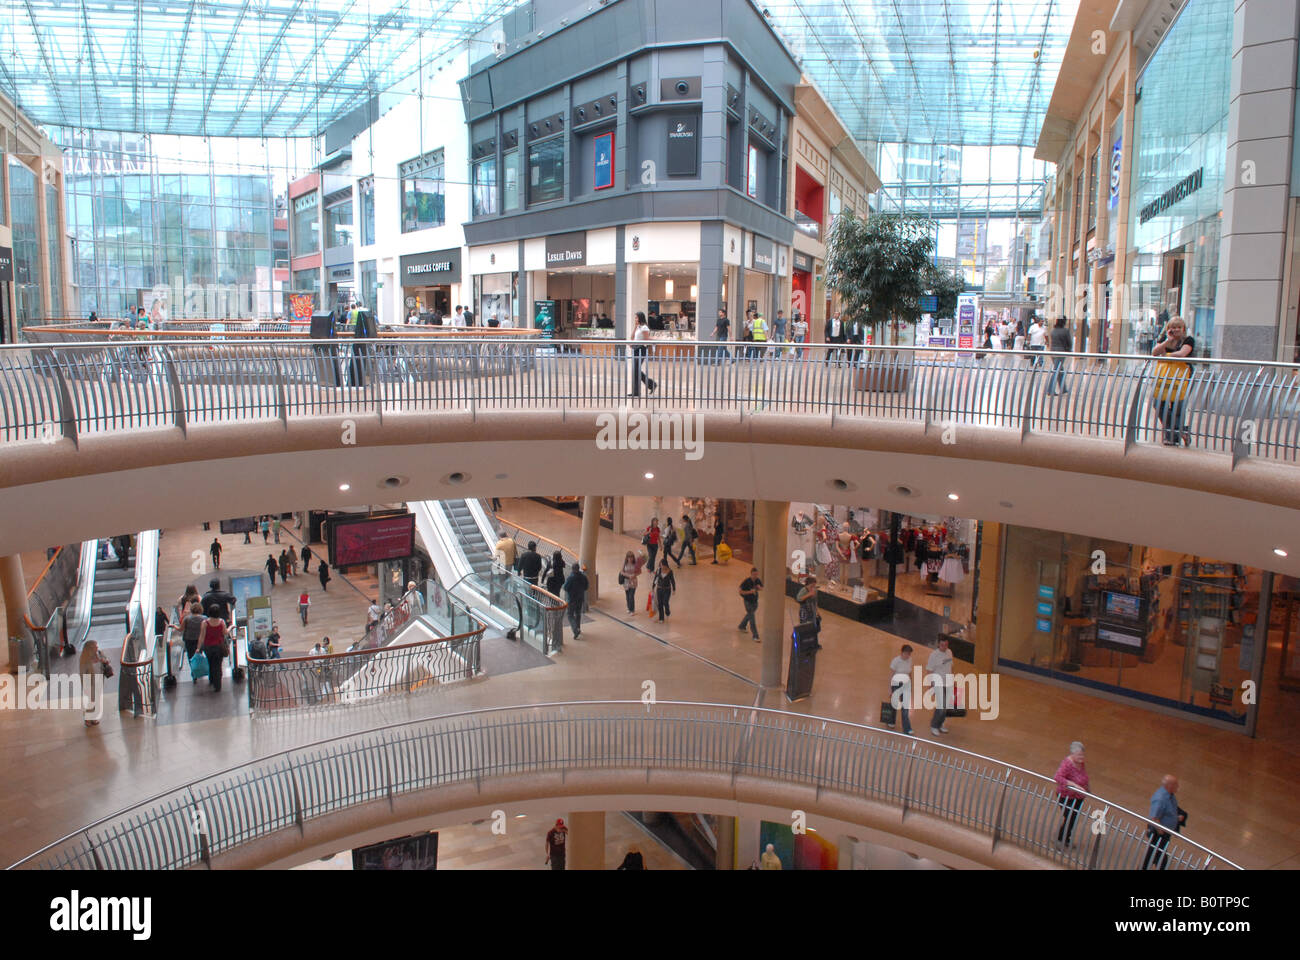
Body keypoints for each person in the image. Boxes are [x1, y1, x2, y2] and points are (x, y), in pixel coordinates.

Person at [1151, 316, 1196, 446]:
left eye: (1178, 327)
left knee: (1177, 406)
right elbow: (1154, 352)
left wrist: (1166, 355)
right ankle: (1180, 430)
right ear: (1168, 329)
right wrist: (1167, 341)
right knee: (1159, 404)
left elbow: (1183, 354)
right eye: (1172, 327)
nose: (1175, 330)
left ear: (1183, 329)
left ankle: (1171, 436)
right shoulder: (1165, 340)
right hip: (1165, 376)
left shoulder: (1188, 340)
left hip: (1182, 376)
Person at [1143, 774, 1185, 870]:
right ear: (1169, 786)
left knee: (1154, 852)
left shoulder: (1170, 796)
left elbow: (1168, 811)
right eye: (1175, 784)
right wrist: (1161, 832)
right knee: (1159, 854)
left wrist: (1176, 818)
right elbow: (1154, 817)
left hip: (1163, 832)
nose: (1178, 786)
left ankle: (1144, 867)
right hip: (1158, 832)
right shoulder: (1160, 799)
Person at [1054, 741, 1090, 846]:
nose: (1081, 757)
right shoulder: (1067, 764)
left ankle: (1064, 838)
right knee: (1070, 818)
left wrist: (1086, 787)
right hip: (1067, 797)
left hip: (1078, 797)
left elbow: (1083, 775)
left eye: (1082, 754)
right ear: (1072, 754)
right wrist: (1075, 785)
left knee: (1072, 818)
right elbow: (1058, 777)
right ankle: (1061, 839)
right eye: (1079, 755)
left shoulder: (1080, 762)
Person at [78, 639, 111, 726]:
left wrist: (104, 660)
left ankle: (94, 717)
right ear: (90, 648)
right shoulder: (84, 659)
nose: (97, 647)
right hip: (89, 683)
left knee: (97, 700)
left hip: (99, 680)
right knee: (91, 700)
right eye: (95, 646)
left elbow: (107, 659)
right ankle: (88, 719)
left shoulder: (99, 654)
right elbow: (82, 673)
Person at [927, 637, 953, 736]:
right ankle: (934, 726)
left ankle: (940, 723)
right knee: (941, 706)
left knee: (945, 706)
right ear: (938, 644)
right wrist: (930, 684)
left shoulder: (949, 652)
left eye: (946, 645)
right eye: (942, 645)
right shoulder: (934, 655)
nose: (944, 647)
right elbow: (929, 669)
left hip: (948, 682)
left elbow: (950, 667)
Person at [200, 605, 230, 692]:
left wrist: (198, 648)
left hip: (208, 647)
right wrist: (231, 627)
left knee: (211, 663)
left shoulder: (205, 623)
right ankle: (218, 684)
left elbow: (202, 636)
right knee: (218, 665)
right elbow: (225, 632)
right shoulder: (221, 622)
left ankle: (212, 679)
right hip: (218, 647)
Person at [888, 644, 915, 736]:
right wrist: (890, 689)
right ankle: (891, 720)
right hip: (896, 684)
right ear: (902, 652)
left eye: (909, 654)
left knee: (905, 708)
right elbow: (891, 675)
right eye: (906, 653)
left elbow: (909, 673)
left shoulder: (910, 660)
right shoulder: (895, 661)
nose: (908, 656)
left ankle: (907, 728)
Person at [629, 312, 656, 396]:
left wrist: (655, 340)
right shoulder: (638, 327)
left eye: (636, 318)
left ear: (640, 318)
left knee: (636, 370)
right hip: (636, 349)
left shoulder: (644, 327)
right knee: (635, 370)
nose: (635, 319)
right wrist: (635, 327)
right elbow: (632, 337)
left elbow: (646, 339)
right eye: (635, 318)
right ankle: (638, 391)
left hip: (641, 349)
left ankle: (651, 384)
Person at [1046, 317, 1072, 396]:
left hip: (1053, 351)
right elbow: (1069, 342)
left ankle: (1063, 388)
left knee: (1060, 369)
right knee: (1057, 370)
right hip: (1061, 352)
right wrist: (1069, 349)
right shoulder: (1065, 331)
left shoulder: (1053, 331)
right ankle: (1050, 389)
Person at [563, 564, 589, 639]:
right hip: (580, 598)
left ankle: (575, 630)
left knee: (570, 615)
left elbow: (565, 587)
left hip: (572, 599)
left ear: (572, 569)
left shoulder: (571, 578)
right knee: (578, 614)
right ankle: (578, 628)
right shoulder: (583, 577)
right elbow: (586, 586)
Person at [738, 567, 762, 640]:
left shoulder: (758, 580)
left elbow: (762, 588)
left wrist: (759, 588)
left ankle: (742, 626)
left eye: (756, 575)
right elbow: (740, 591)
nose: (755, 576)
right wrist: (749, 592)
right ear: (751, 574)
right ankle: (755, 636)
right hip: (748, 602)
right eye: (754, 575)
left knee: (750, 615)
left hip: (755, 602)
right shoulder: (746, 581)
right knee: (752, 619)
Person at [620, 550, 643, 615]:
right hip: (626, 582)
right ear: (627, 558)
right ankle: (629, 608)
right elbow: (621, 572)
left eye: (631, 557)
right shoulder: (624, 564)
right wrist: (628, 575)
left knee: (631, 596)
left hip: (633, 582)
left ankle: (632, 610)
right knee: (627, 596)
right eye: (629, 557)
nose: (630, 559)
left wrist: (634, 575)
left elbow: (640, 572)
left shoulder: (636, 564)